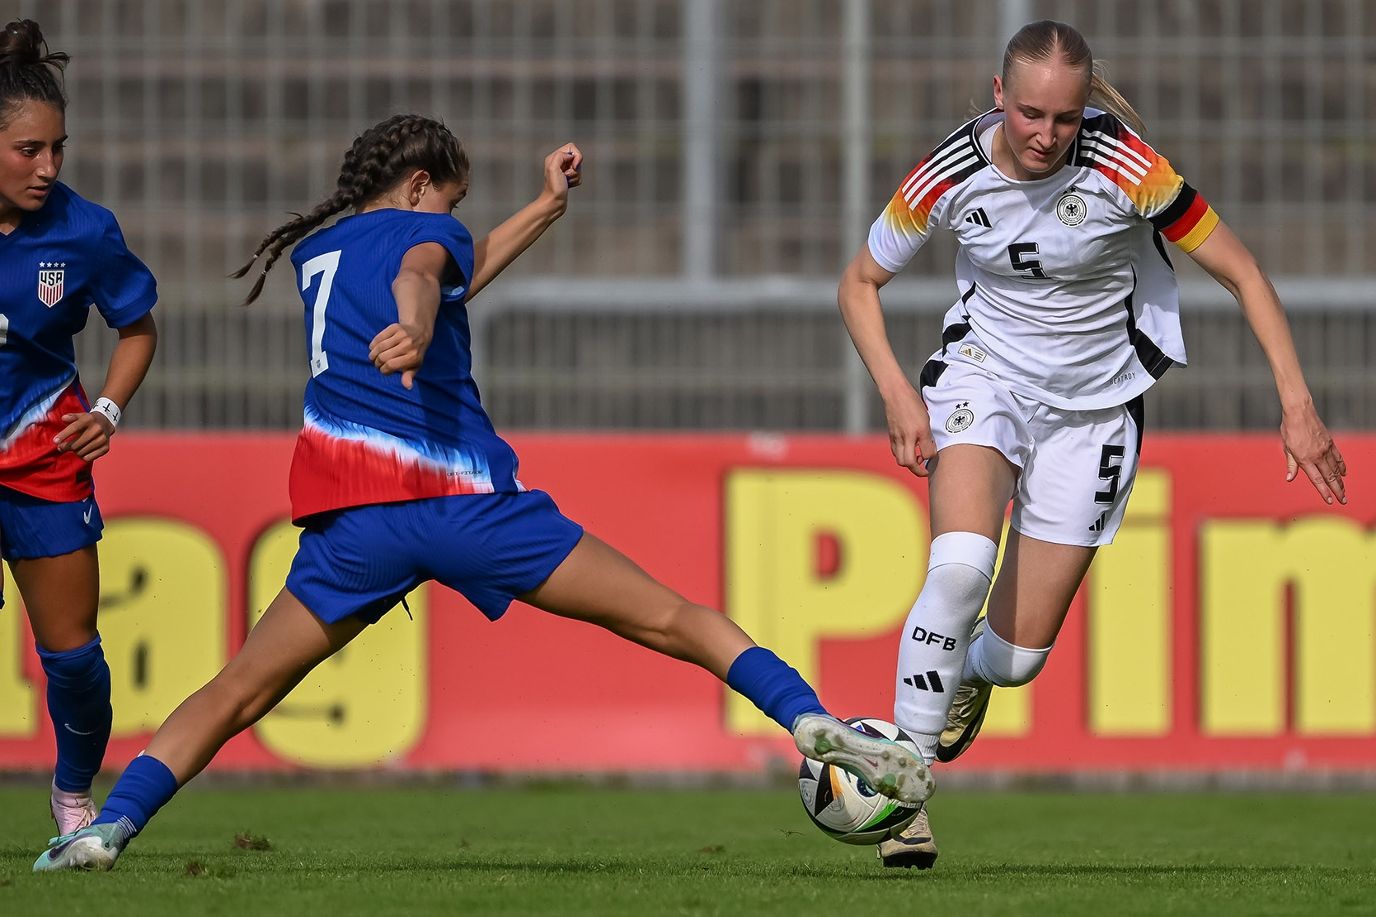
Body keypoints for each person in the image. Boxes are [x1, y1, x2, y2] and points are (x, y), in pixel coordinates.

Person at [35, 113, 931, 871]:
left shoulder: (321, 252)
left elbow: (445, 266)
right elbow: (425, 276)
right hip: (468, 506)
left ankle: (112, 826)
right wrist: (416, 329)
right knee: (671, 618)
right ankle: (807, 717)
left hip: (356, 526)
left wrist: (543, 208)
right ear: (424, 186)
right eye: (457, 201)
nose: (461, 219)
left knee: (236, 690)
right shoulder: (427, 241)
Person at [836, 20, 1347, 870]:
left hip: (1097, 409)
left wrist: (1296, 402)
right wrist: (897, 392)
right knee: (959, 567)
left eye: (1065, 119)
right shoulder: (946, 174)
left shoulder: (1131, 169)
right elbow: (859, 283)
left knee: (1016, 658)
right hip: (983, 378)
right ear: (999, 97)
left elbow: (1244, 272)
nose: (1046, 135)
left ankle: (961, 674)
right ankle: (906, 789)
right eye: (1030, 113)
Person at [0, 19, 158, 838]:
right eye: (29, 149)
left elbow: (139, 329)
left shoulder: (84, 229)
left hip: (44, 460)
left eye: (57, 147)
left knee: (74, 663)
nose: (48, 166)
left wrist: (107, 408)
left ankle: (70, 792)